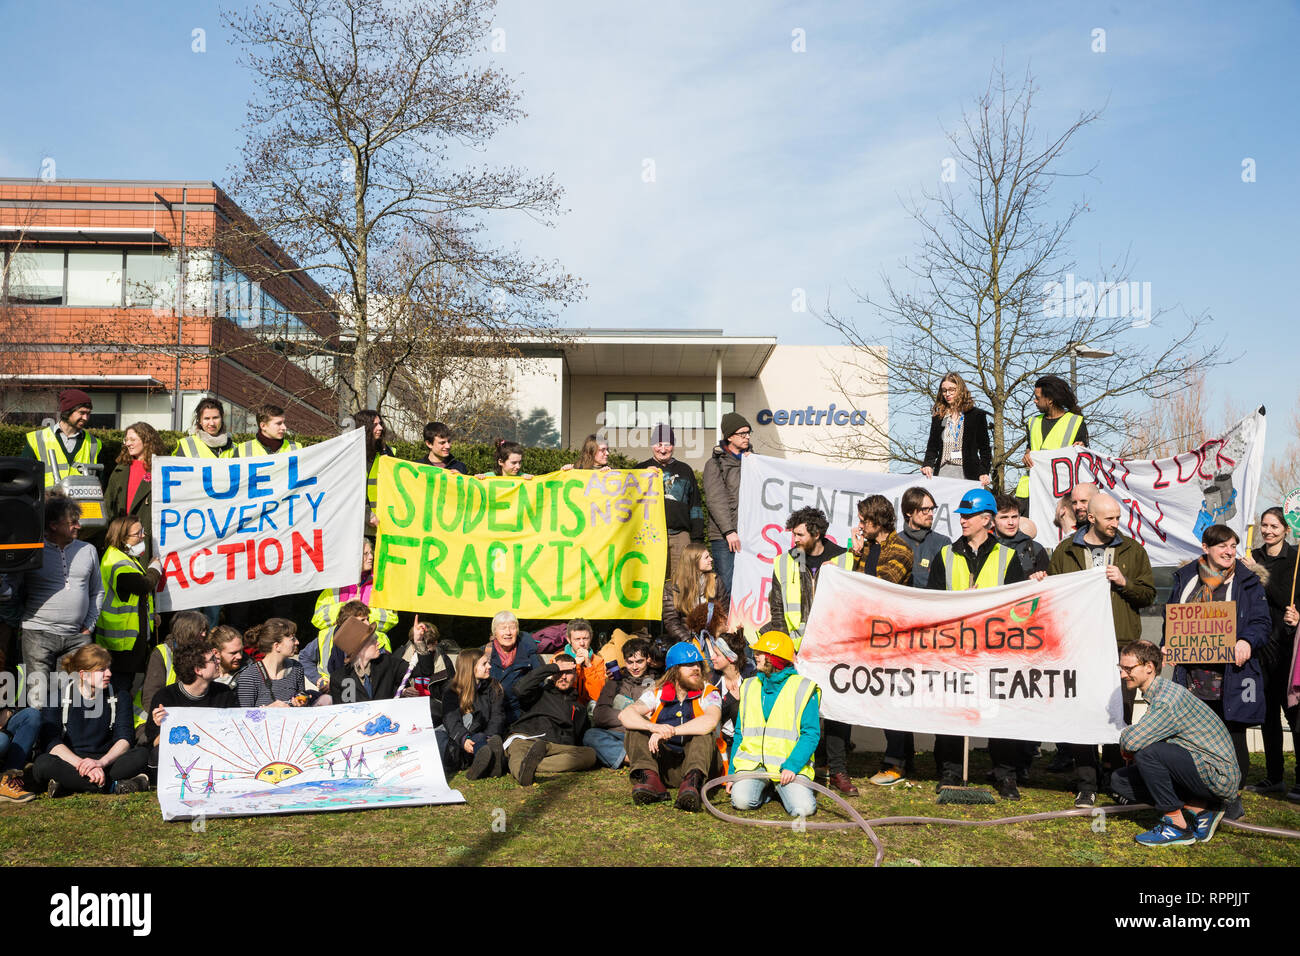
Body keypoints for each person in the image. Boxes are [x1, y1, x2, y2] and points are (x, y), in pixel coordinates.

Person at [1047, 490, 1155, 806]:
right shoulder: (1066, 551)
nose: (1115, 523)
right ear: (1091, 518)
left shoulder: (1133, 550)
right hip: (1078, 646)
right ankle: (1087, 783)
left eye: (1118, 517)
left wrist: (1124, 582)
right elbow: (1053, 596)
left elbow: (1148, 595)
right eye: (1109, 518)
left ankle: (1116, 779)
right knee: (1082, 711)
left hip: (1121, 648)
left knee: (1118, 715)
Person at [927, 488, 1028, 798]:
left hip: (994, 647)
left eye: (968, 516)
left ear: (986, 519)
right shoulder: (945, 554)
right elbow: (931, 601)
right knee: (953, 709)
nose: (962, 520)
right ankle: (950, 771)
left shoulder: (1008, 557)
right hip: (954, 646)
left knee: (1000, 710)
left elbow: (1017, 608)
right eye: (962, 515)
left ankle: (1005, 773)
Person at [1165, 524, 1270, 807]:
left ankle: (1232, 798)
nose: (1229, 551)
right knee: (1194, 736)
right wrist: (1168, 643)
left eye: (1233, 546)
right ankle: (1199, 792)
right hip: (1192, 674)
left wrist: (1246, 641)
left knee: (1233, 734)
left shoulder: (1247, 581)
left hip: (1232, 674)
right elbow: (1172, 616)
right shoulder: (1186, 578)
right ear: (1206, 548)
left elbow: (1261, 622)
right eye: (1222, 546)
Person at [1110, 641, 1242, 846]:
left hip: (1218, 776)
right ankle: (1202, 809)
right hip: (1199, 768)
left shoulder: (1167, 700)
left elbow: (1133, 742)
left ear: (1149, 667)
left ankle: (1176, 826)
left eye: (1128, 669)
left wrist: (1129, 743)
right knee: (1120, 781)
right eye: (1121, 668)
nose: (1122, 674)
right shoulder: (1159, 693)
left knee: (1147, 753)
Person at [767, 506, 853, 795]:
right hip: (798, 653)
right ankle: (803, 767)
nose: (794, 540)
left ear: (816, 534)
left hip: (834, 650)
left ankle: (838, 770)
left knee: (837, 712)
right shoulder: (784, 562)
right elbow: (777, 610)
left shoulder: (845, 559)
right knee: (802, 711)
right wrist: (784, 649)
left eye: (800, 535)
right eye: (793, 534)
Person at [7, 496, 103, 708]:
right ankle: (38, 730)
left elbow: (97, 591)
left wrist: (89, 625)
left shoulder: (88, 550)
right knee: (38, 699)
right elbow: (12, 587)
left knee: (72, 699)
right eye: (72, 522)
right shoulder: (33, 550)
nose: (78, 526)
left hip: (77, 637)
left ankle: (62, 731)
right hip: (38, 634)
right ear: (53, 525)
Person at [31, 644, 150, 797]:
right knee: (43, 764)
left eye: (109, 668)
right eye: (101, 670)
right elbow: (51, 742)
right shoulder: (57, 698)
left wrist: (100, 763)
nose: (109, 674)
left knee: (142, 755)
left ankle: (69, 784)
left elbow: (125, 738)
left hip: (107, 761)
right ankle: (112, 786)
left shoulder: (120, 696)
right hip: (70, 761)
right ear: (83, 674)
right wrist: (81, 764)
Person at [619, 642, 722, 811]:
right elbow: (626, 714)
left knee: (704, 733)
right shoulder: (657, 691)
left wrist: (671, 731)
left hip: (699, 765)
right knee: (636, 727)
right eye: (688, 665)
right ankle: (651, 781)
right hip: (666, 766)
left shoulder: (709, 692)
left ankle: (692, 785)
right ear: (674, 670)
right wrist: (653, 727)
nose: (696, 668)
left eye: (697, 664)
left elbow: (710, 720)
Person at [729, 630, 820, 819]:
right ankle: (770, 789)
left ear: (775, 658)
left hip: (788, 767)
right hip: (754, 765)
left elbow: (810, 734)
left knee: (803, 809)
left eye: (761, 653)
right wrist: (732, 773)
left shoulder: (804, 688)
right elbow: (739, 733)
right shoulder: (749, 686)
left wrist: (792, 766)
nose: (755, 656)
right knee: (741, 801)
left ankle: (779, 788)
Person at [1241, 507, 1300, 794]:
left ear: (1286, 529)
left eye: (1274, 526)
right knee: (1267, 715)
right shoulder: (1252, 557)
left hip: (1287, 647)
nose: (1267, 531)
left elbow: (1283, 596)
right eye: (1264, 525)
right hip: (1260, 647)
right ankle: (1274, 776)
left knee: (1295, 714)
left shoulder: (1296, 559)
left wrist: (1298, 616)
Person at [93, 515, 162, 721]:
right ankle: (118, 728)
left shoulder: (125, 558)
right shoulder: (117, 561)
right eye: (138, 533)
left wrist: (151, 617)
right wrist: (155, 569)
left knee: (123, 689)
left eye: (143, 531)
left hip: (127, 640)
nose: (143, 535)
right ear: (122, 538)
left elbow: (133, 600)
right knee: (119, 691)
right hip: (121, 642)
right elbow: (142, 586)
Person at [304, 537, 398, 688]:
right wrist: (346, 609)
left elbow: (392, 618)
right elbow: (318, 618)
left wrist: (361, 615)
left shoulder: (380, 585)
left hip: (373, 671)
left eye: (371, 553)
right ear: (353, 556)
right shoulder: (335, 585)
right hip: (333, 678)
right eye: (365, 554)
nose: (371, 557)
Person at [503, 653, 598, 786]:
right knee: (517, 749)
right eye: (560, 672)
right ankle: (522, 773)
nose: (563, 677)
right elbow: (519, 689)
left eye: (568, 673)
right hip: (527, 738)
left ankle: (530, 766)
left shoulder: (579, 708)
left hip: (556, 748)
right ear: (552, 674)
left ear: (575, 676)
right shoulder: (538, 693)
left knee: (589, 754)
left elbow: (579, 739)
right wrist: (553, 667)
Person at [145, 640, 236, 770]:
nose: (218, 661)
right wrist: (164, 728)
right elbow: (153, 744)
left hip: (216, 755)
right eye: (212, 659)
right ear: (198, 670)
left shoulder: (224, 692)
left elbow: (235, 731)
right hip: (178, 760)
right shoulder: (165, 697)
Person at [637, 423, 705, 579]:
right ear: (651, 445)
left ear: (673, 446)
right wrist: (642, 477)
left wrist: (697, 539)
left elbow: (695, 505)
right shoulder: (640, 469)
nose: (662, 449)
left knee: (682, 580)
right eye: (658, 444)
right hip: (649, 535)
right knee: (652, 579)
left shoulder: (685, 470)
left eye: (667, 444)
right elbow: (627, 500)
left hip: (680, 536)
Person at [1015, 375, 1089, 514]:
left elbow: (1083, 457)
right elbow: (1030, 448)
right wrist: (1027, 455)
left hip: (1060, 492)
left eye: (1037, 398)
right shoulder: (1032, 422)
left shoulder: (1076, 422)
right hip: (1030, 490)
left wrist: (1082, 449)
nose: (1034, 401)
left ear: (1050, 400)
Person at [136, 611, 209, 744]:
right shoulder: (162, 653)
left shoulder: (204, 654)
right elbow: (150, 698)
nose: (204, 635)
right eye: (201, 630)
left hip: (186, 722)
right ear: (187, 631)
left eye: (205, 630)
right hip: (152, 721)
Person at [585, 637, 656, 769]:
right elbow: (599, 715)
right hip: (617, 735)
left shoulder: (656, 683)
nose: (634, 667)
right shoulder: (615, 682)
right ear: (624, 661)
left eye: (639, 662)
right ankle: (635, 758)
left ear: (648, 659)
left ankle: (634, 757)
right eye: (630, 662)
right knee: (590, 735)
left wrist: (621, 716)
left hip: (644, 734)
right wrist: (630, 717)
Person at [702, 412, 751, 593]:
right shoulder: (715, 464)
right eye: (742, 433)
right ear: (730, 437)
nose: (747, 437)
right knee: (726, 585)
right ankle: (723, 614)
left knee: (750, 583)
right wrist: (729, 531)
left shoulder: (754, 461)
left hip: (750, 534)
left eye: (748, 432)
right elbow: (716, 500)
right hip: (725, 537)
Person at [440, 648, 507, 779]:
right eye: (484, 664)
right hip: (464, 738)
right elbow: (451, 719)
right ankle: (490, 764)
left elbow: (497, 716)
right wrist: (463, 738)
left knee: (487, 740)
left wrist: (490, 736)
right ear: (470, 668)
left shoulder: (493, 687)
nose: (489, 666)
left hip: (486, 735)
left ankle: (488, 764)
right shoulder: (452, 691)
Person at [105, 422, 165, 564]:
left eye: (133, 439)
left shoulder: (160, 469)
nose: (128, 444)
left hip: (147, 536)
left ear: (147, 440)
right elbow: (108, 504)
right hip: (122, 536)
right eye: (126, 440)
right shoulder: (120, 469)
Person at [21, 388, 103, 490]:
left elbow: (100, 484)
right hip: (47, 500)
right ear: (67, 411)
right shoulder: (37, 439)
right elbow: (23, 479)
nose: (85, 418)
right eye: (81, 413)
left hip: (82, 501)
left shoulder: (94, 444)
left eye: (88, 413)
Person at [921, 372, 992, 486]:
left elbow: (985, 449)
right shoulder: (938, 417)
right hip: (943, 471)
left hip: (969, 473)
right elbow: (932, 447)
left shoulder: (976, 415)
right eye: (944, 390)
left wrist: (984, 471)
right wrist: (928, 464)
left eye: (951, 390)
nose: (947, 394)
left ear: (960, 389)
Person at [662, 542, 730, 648]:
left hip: (714, 639)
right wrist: (689, 642)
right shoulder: (673, 587)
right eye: (706, 557)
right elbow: (671, 621)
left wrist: (717, 637)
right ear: (694, 561)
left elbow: (725, 612)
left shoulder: (716, 581)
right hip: (687, 642)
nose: (711, 559)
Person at [706, 629, 756, 774]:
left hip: (747, 741)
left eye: (717, 654)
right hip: (721, 742)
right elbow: (708, 715)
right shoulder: (711, 679)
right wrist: (730, 699)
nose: (712, 657)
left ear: (731, 658)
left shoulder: (751, 678)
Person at [485, 611, 542, 724]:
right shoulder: (484, 654)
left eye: (512, 627)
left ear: (517, 631)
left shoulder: (529, 653)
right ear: (495, 632)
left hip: (521, 714)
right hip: (491, 715)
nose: (508, 632)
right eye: (503, 628)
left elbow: (539, 682)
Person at [236, 619, 307, 708]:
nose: (297, 642)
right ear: (277, 646)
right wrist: (268, 710)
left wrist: (302, 702)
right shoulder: (249, 676)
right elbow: (244, 715)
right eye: (292, 639)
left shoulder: (297, 668)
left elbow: (302, 702)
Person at [849, 495, 914, 583]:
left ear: (879, 522)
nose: (859, 526)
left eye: (863, 522)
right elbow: (845, 577)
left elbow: (882, 585)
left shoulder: (902, 551)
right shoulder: (865, 547)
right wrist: (856, 552)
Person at [898, 486, 950, 590]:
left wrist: (909, 577)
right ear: (909, 512)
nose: (931, 514)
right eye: (925, 509)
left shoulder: (942, 543)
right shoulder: (895, 542)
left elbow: (944, 581)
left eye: (932, 509)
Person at [994, 493, 1049, 581]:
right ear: (992, 520)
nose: (1011, 522)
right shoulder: (984, 550)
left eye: (1014, 517)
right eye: (1004, 517)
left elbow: (1048, 586)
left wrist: (1035, 580)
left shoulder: (1036, 549)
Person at [353, 409, 393, 528]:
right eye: (375, 425)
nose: (380, 428)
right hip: (359, 525)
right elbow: (352, 493)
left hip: (383, 522)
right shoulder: (353, 454)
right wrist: (368, 515)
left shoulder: (386, 452)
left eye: (380, 424)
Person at [563, 619, 606, 707]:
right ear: (569, 639)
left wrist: (589, 665)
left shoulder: (598, 661)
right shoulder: (558, 659)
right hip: (566, 706)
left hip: (589, 707)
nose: (582, 643)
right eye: (577, 639)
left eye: (585, 638)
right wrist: (575, 666)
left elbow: (598, 696)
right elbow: (562, 692)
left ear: (591, 638)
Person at [231, 404, 300, 457]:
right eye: (278, 423)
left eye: (284, 423)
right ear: (263, 426)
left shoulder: (297, 448)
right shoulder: (242, 450)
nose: (284, 427)